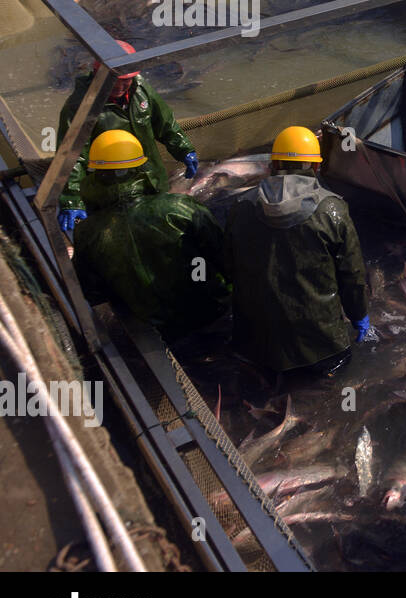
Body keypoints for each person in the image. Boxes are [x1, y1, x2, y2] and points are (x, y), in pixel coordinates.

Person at [223, 125, 369, 377]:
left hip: (254, 347)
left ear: (272, 165)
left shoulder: (241, 207)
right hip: (322, 348)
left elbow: (226, 268)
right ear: (315, 167)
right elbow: (352, 274)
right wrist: (359, 315)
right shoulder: (332, 210)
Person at [72, 131, 228, 340]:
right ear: (143, 170)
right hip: (209, 313)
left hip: (152, 331)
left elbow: (93, 292)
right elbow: (224, 256)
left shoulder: (85, 232)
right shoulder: (180, 207)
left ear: (94, 176)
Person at [56, 40, 198, 233]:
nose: (121, 85)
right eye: (114, 79)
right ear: (98, 74)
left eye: (126, 79)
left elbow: (165, 124)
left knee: (156, 230)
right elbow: (72, 156)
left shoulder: (141, 89)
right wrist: (71, 199)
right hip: (108, 189)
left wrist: (184, 149)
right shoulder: (79, 107)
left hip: (151, 179)